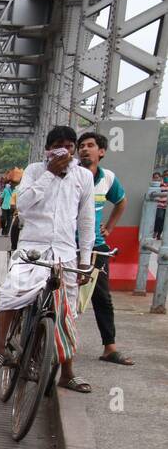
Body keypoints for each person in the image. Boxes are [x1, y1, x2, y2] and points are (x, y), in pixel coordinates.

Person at [0, 126, 96, 392]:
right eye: (59, 145)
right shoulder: (35, 171)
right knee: (12, 292)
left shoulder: (83, 177)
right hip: (32, 248)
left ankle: (67, 373)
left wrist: (84, 259)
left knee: (66, 312)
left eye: (70, 146)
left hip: (65, 252)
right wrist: (50, 175)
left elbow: (87, 220)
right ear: (48, 149)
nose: (65, 150)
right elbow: (22, 205)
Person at [76, 131, 132, 366]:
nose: (84, 149)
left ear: (102, 152)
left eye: (90, 145)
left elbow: (121, 201)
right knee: (56, 295)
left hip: (96, 246)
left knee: (102, 298)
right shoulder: (70, 174)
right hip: (68, 245)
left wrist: (109, 227)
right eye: (81, 146)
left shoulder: (108, 178)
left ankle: (110, 348)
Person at [153, 171, 166, 240]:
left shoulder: (164, 185)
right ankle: (155, 232)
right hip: (159, 205)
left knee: (163, 221)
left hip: (165, 206)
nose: (156, 179)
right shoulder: (155, 185)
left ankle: (159, 234)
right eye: (155, 178)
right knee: (159, 219)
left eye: (157, 177)